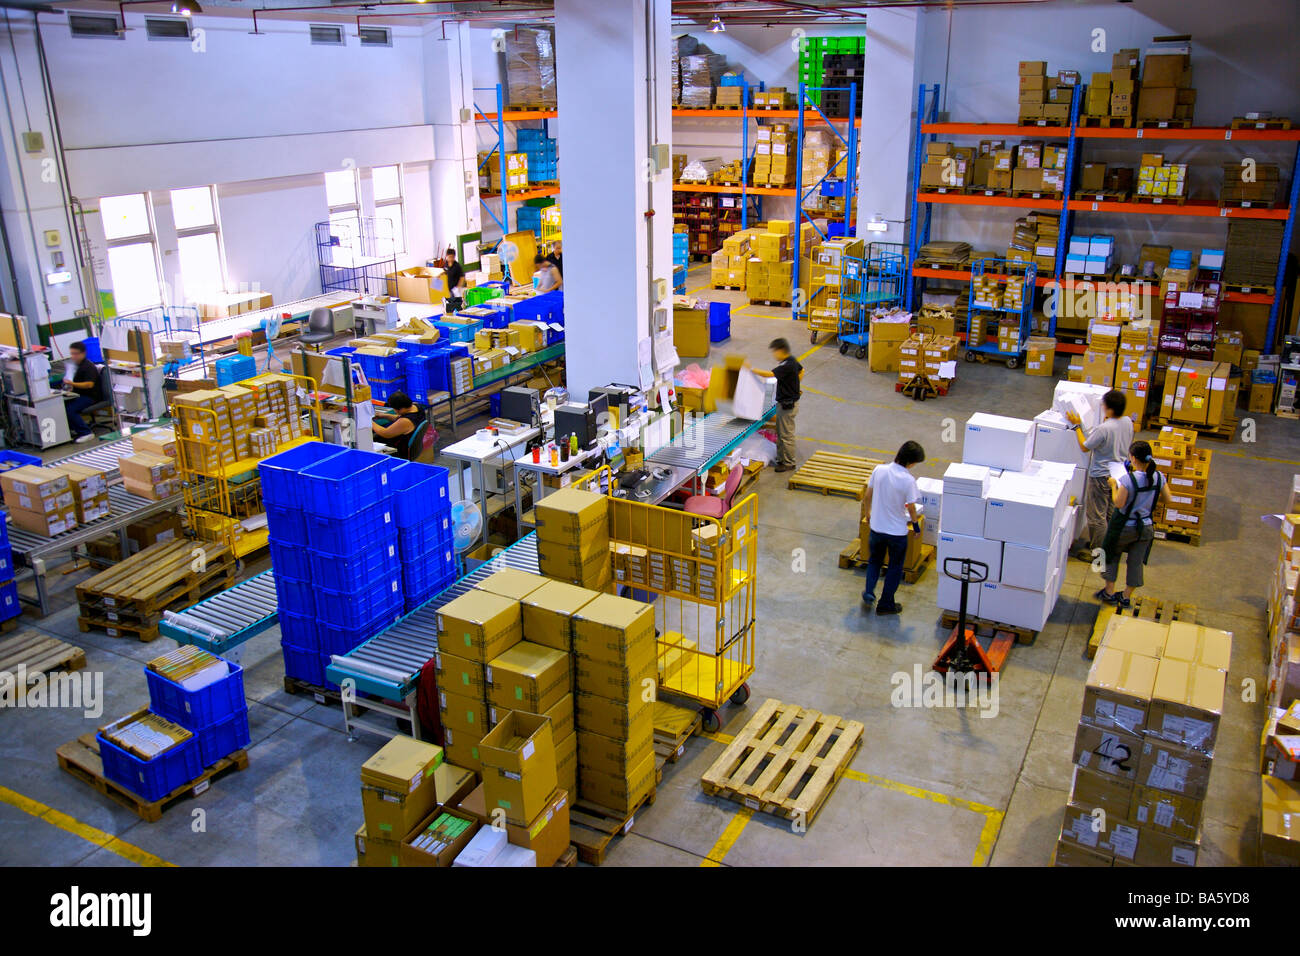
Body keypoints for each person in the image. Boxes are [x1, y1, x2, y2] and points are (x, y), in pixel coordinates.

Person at [1097, 440, 1172, 608]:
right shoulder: (1159, 477)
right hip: (1145, 528)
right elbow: (1168, 499)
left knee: (1111, 555)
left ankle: (1109, 592)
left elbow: (1118, 503)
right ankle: (1125, 596)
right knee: (1136, 562)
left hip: (1125, 527)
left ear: (1132, 457)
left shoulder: (1128, 479)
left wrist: (1114, 486)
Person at [1065, 389, 1133, 560]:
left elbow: (1085, 446)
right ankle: (1106, 546)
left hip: (1101, 475)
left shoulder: (1104, 428)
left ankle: (1098, 555)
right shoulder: (1127, 422)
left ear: (1109, 409)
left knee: (1096, 516)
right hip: (1118, 473)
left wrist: (1077, 426)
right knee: (1109, 513)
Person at [861, 440, 925, 616]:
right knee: (895, 567)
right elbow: (911, 508)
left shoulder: (879, 470)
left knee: (874, 561)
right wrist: (917, 528)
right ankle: (886, 603)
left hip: (877, 528)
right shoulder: (908, 480)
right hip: (897, 533)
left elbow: (867, 495)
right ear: (911, 462)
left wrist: (868, 513)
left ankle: (868, 591)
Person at [754, 338, 802, 473]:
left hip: (787, 405)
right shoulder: (792, 360)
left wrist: (753, 370)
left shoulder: (786, 365)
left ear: (781, 351)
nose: (774, 355)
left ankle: (789, 463)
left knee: (786, 435)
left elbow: (770, 374)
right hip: (787, 402)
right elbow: (801, 371)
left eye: (775, 352)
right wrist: (796, 386)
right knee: (782, 433)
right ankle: (782, 460)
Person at [63, 340, 103, 444]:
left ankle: (86, 432)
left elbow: (89, 384)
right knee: (61, 406)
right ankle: (74, 428)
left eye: (76, 354)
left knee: (70, 409)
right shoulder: (75, 366)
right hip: (78, 394)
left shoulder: (88, 366)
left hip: (90, 396)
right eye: (72, 354)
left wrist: (72, 383)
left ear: (83, 353)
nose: (74, 356)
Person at [371, 392, 424, 460]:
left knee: (373, 438)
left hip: (400, 450)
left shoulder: (406, 421)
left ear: (400, 409)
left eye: (394, 409)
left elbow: (385, 433)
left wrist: (370, 422)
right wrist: (385, 416)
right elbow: (399, 418)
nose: (394, 411)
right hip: (411, 444)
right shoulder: (416, 407)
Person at [443, 248, 466, 313]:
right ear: (446, 256)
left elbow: (462, 277)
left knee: (455, 302)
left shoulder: (457, 266)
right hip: (448, 288)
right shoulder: (446, 264)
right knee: (448, 302)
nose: (450, 258)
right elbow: (444, 273)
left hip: (455, 289)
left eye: (452, 257)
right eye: (449, 257)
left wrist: (458, 287)